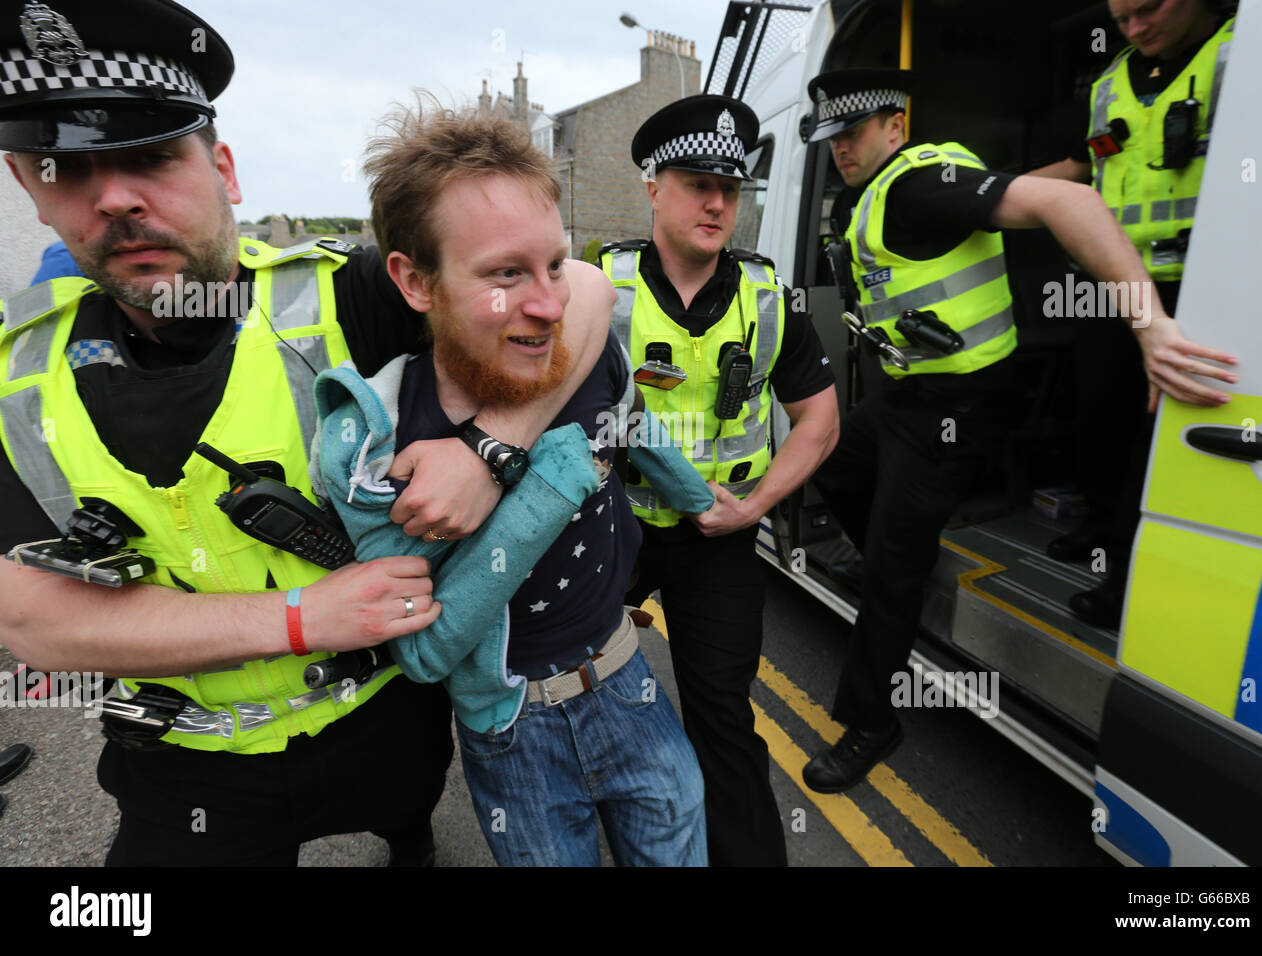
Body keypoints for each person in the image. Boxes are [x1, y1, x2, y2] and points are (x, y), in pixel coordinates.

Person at [0, 0, 610, 865]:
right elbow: (32, 622)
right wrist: (299, 619)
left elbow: (583, 291)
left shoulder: (343, 296)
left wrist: (492, 446)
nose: (117, 198)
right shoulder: (13, 375)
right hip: (188, 763)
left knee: (406, 828)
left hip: (382, 722)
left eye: (152, 157)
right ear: (28, 186)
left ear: (225, 168)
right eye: (65, 169)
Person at [798, 66, 1238, 794]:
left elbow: (1070, 200)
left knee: (892, 574)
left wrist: (1150, 325)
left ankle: (872, 721)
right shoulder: (882, 194)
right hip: (908, 402)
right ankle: (883, 551)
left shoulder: (915, 183)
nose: (841, 148)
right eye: (831, 138)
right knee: (836, 457)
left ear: (895, 126)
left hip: (951, 411)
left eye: (853, 132)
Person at [315, 98, 712, 866]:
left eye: (554, 264)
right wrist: (554, 478)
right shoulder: (373, 440)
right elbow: (426, 651)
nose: (548, 304)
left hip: (631, 682)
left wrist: (701, 501)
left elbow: (628, 417)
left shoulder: (577, 348)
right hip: (512, 729)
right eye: (506, 273)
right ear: (415, 280)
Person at [604, 95, 840, 866]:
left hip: (720, 542)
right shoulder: (597, 292)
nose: (715, 203)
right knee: (572, 698)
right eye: (696, 181)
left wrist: (758, 509)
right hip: (614, 532)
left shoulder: (769, 300)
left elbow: (820, 421)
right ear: (653, 187)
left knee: (723, 718)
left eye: (730, 189)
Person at [1031, 0, 1234, 626]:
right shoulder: (1111, 82)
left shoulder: (1238, 58)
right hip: (1112, 289)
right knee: (1101, 423)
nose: (1135, 28)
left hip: (1198, 289)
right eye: (1121, 19)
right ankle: (1097, 534)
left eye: (1149, 10)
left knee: (1157, 440)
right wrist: (982, 194)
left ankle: (1126, 580)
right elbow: (1078, 166)